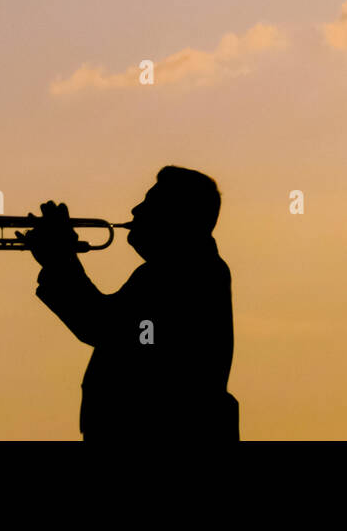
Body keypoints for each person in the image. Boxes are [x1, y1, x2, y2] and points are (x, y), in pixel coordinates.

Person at [19, 166, 238, 442]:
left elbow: (99, 326)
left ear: (175, 216)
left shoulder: (183, 273)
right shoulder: (180, 270)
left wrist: (59, 259)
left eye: (150, 203)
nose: (135, 210)